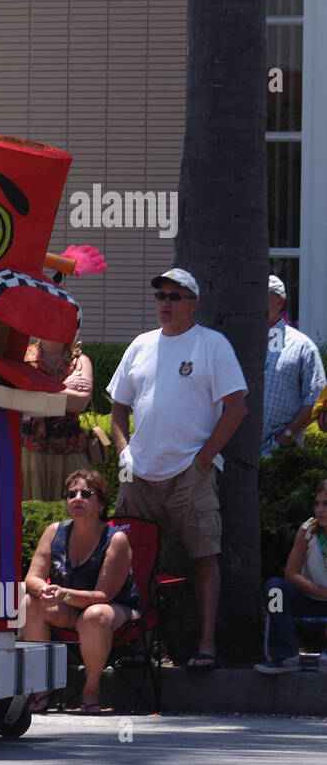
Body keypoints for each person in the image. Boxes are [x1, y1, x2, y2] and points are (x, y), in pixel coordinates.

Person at [108, 268, 247, 672]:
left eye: (175, 296)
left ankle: (206, 644)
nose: (165, 303)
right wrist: (123, 453)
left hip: (191, 474)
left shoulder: (211, 345)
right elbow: (119, 406)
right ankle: (138, 645)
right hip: (138, 476)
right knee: (135, 562)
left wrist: (203, 460)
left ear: (193, 303)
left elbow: (237, 407)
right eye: (160, 296)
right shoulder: (140, 345)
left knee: (205, 557)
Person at [20, 468, 141, 713]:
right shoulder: (54, 532)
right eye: (71, 493)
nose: (77, 498)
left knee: (94, 614)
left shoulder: (115, 539)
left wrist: (63, 594)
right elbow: (31, 578)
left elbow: (103, 596)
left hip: (115, 610)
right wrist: (45, 590)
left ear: (101, 503)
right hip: (69, 608)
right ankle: (41, 689)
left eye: (86, 493)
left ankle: (91, 690)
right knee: (30, 603)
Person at [255, 478, 327, 674]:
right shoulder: (307, 530)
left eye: (325, 504)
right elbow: (291, 575)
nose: (319, 510)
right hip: (308, 599)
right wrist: (321, 592)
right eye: (317, 504)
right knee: (275, 589)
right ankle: (285, 654)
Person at [19, 338, 95, 500]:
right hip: (31, 453)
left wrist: (37, 388)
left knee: (71, 509)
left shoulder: (80, 361)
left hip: (69, 451)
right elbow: (19, 398)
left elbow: (78, 403)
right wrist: (62, 386)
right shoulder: (22, 357)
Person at [262, 275, 325, 457]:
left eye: (263, 294)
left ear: (280, 302)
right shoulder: (240, 342)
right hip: (238, 455)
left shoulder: (301, 346)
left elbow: (316, 397)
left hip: (280, 453)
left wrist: (287, 436)